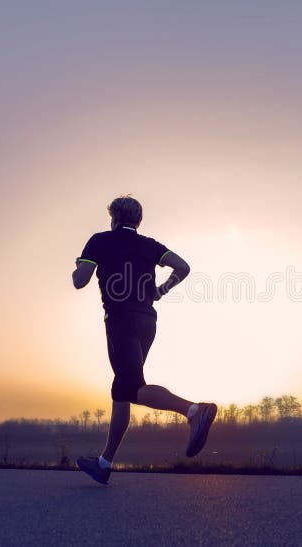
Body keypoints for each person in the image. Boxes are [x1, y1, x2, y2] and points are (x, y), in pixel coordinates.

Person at [72, 195, 217, 485]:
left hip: (120, 320)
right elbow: (183, 267)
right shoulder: (149, 245)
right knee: (121, 388)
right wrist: (161, 290)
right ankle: (104, 463)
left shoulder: (99, 241)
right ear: (138, 221)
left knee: (132, 386)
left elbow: (80, 281)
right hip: (147, 321)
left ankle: (193, 410)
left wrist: (79, 266)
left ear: (113, 218)